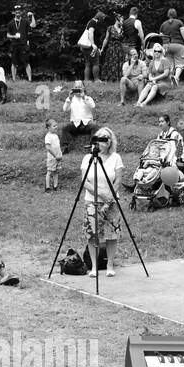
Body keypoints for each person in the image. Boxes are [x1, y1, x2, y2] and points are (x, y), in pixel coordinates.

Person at [79, 128, 124, 274]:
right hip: (92, 200)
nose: (104, 140)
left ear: (111, 140)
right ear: (95, 140)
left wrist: (109, 197)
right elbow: (84, 181)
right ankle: (94, 267)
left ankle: (110, 266)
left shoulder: (116, 157)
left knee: (112, 234)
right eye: (101, 137)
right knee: (93, 235)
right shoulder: (88, 158)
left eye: (107, 137)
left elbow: (118, 180)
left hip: (111, 201)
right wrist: (101, 194)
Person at [60, 81, 96, 152]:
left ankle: (93, 146)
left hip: (86, 124)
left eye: (79, 87)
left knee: (95, 127)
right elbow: (65, 109)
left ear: (83, 88)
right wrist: (69, 99)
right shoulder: (71, 99)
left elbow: (93, 106)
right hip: (75, 124)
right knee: (65, 128)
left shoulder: (88, 98)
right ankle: (65, 147)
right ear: (73, 89)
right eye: (76, 87)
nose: (77, 89)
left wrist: (84, 97)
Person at [6, 6, 36, 81]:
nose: (17, 12)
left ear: (21, 12)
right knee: (13, 63)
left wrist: (32, 16)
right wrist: (13, 36)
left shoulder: (25, 21)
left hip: (24, 45)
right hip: (14, 45)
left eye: (19, 11)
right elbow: (8, 35)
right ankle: (13, 80)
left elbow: (33, 25)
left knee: (26, 62)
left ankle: (30, 79)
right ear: (14, 12)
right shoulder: (11, 23)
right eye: (16, 11)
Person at [160, 9, 184, 83]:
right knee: (180, 64)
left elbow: (160, 37)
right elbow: (183, 33)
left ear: (168, 15)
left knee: (170, 65)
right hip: (178, 45)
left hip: (166, 46)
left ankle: (172, 82)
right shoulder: (179, 22)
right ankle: (176, 77)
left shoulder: (163, 24)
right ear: (175, 15)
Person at [78, 11, 105, 82]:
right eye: (103, 18)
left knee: (88, 63)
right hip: (90, 46)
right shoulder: (93, 22)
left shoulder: (90, 22)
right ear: (99, 17)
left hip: (87, 47)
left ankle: (86, 80)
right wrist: (93, 44)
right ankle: (96, 80)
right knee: (96, 62)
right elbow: (90, 32)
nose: (103, 19)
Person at [97, 15, 126, 82]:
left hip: (120, 49)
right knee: (111, 63)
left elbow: (123, 40)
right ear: (117, 20)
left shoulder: (122, 29)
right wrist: (102, 48)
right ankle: (110, 79)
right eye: (121, 20)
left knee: (120, 63)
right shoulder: (110, 28)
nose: (122, 22)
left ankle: (118, 79)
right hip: (112, 49)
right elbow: (106, 39)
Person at [44, 119, 63, 191]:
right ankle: (47, 187)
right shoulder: (48, 136)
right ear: (48, 128)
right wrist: (55, 155)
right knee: (49, 171)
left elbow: (57, 146)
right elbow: (48, 148)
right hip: (52, 157)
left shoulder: (55, 135)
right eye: (54, 126)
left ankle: (55, 186)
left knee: (56, 171)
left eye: (56, 125)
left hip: (58, 156)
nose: (56, 127)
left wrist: (60, 154)